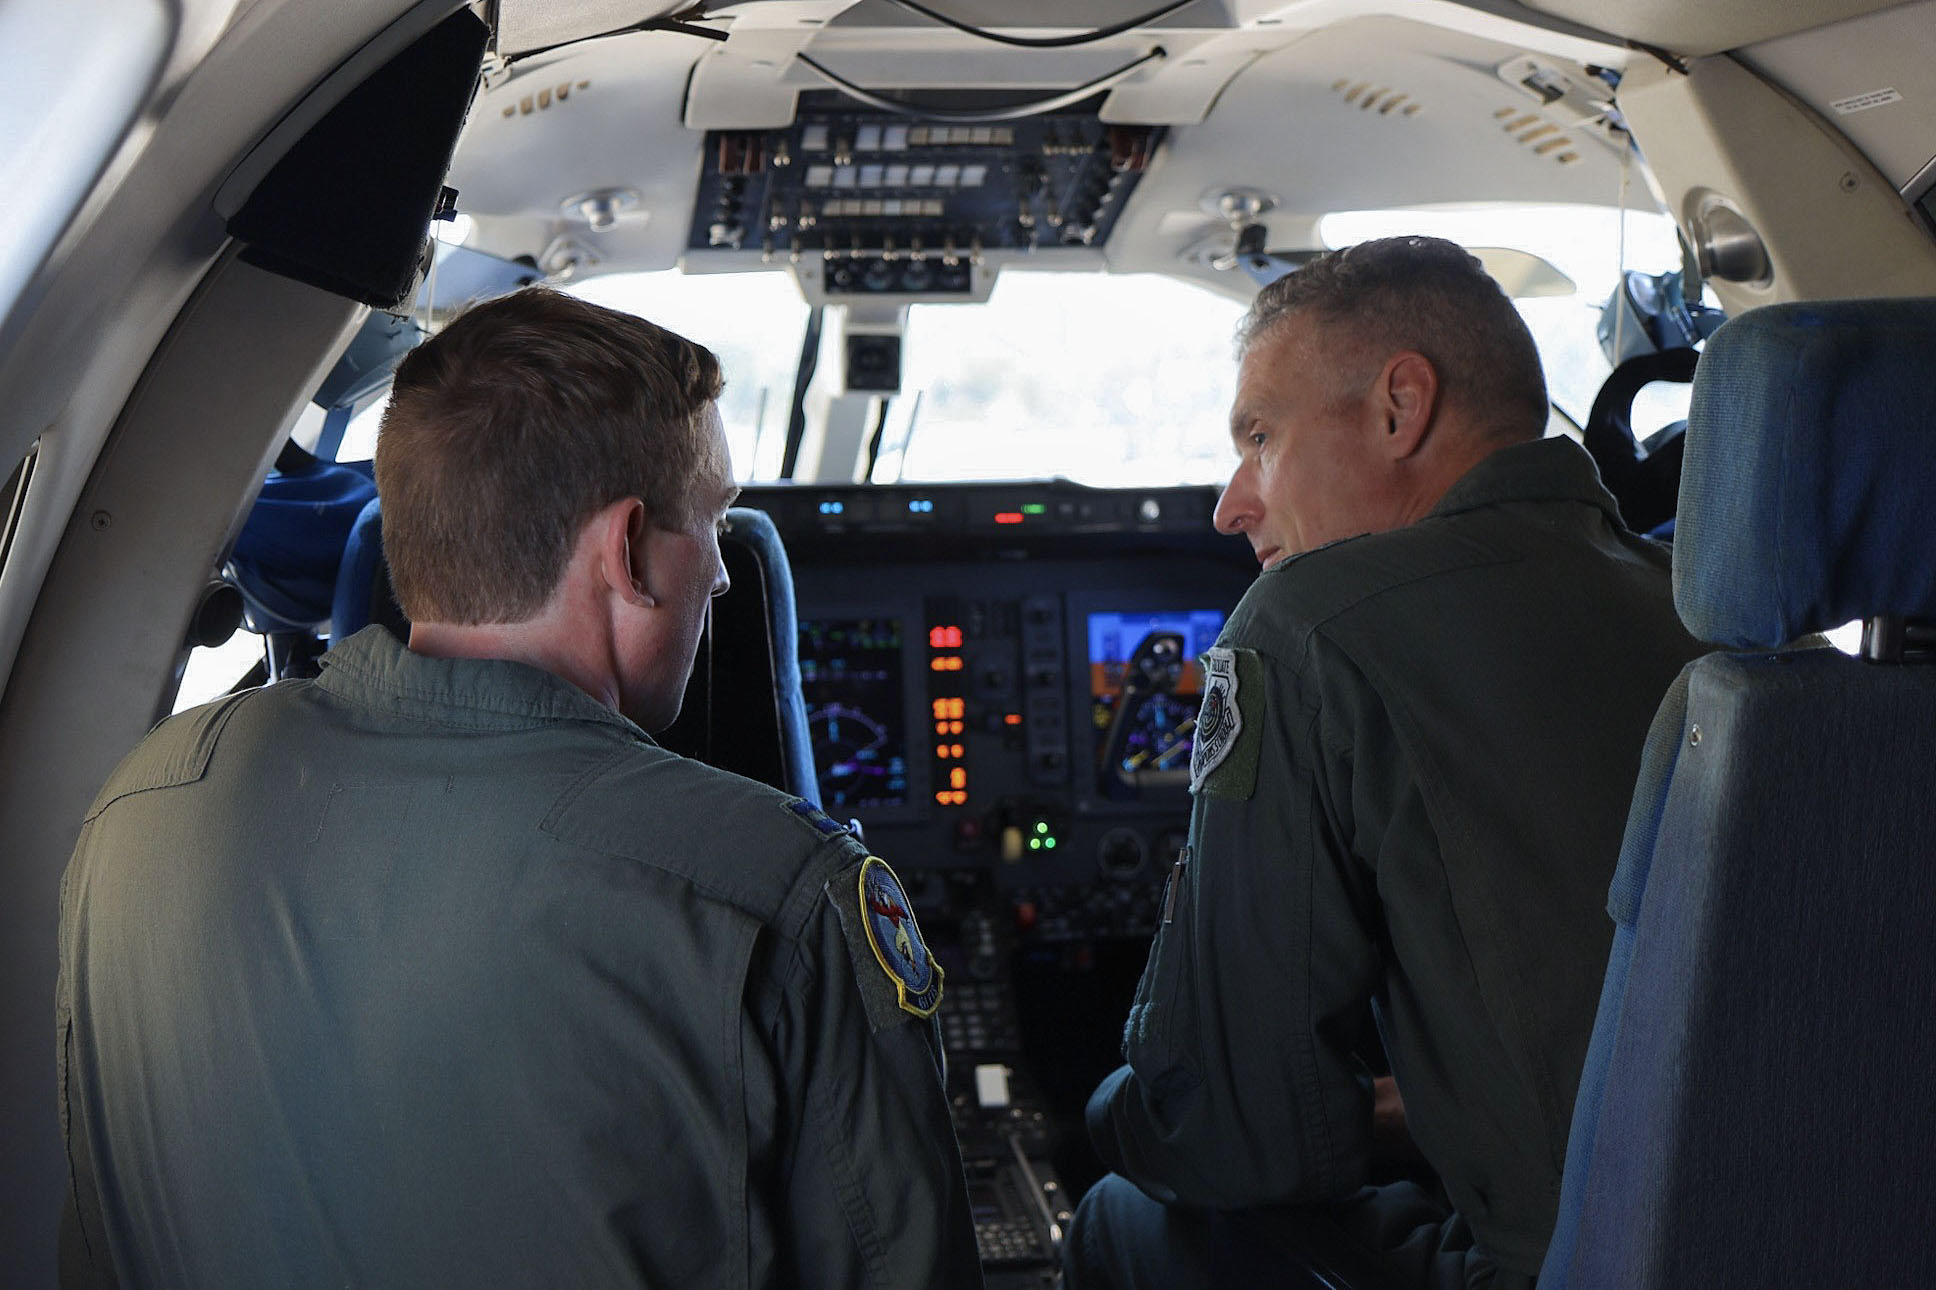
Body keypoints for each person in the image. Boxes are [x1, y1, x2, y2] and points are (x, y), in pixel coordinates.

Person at [56, 288, 983, 1290]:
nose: (721, 575)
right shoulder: (780, 896)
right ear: (626, 550)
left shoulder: (136, 805)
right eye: (712, 520)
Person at [1063, 237, 1705, 1289]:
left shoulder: (1304, 626)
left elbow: (1236, 1134)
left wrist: (1091, 1113)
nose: (1232, 505)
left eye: (1260, 437)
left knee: (1122, 1215)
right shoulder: (1711, 614)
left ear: (1400, 406)